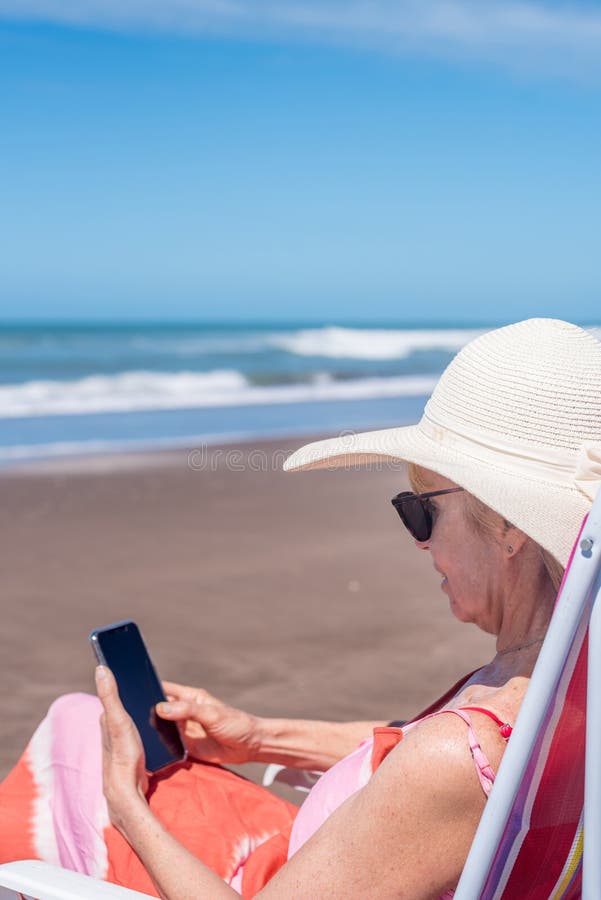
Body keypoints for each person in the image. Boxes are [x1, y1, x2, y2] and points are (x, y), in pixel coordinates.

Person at [1, 317, 600, 898]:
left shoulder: (456, 758)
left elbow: (438, 775)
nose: (419, 540)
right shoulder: (566, 690)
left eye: (422, 511)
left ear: (507, 527)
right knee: (84, 721)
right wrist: (262, 737)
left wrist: (126, 809)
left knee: (75, 742)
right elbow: (425, 774)